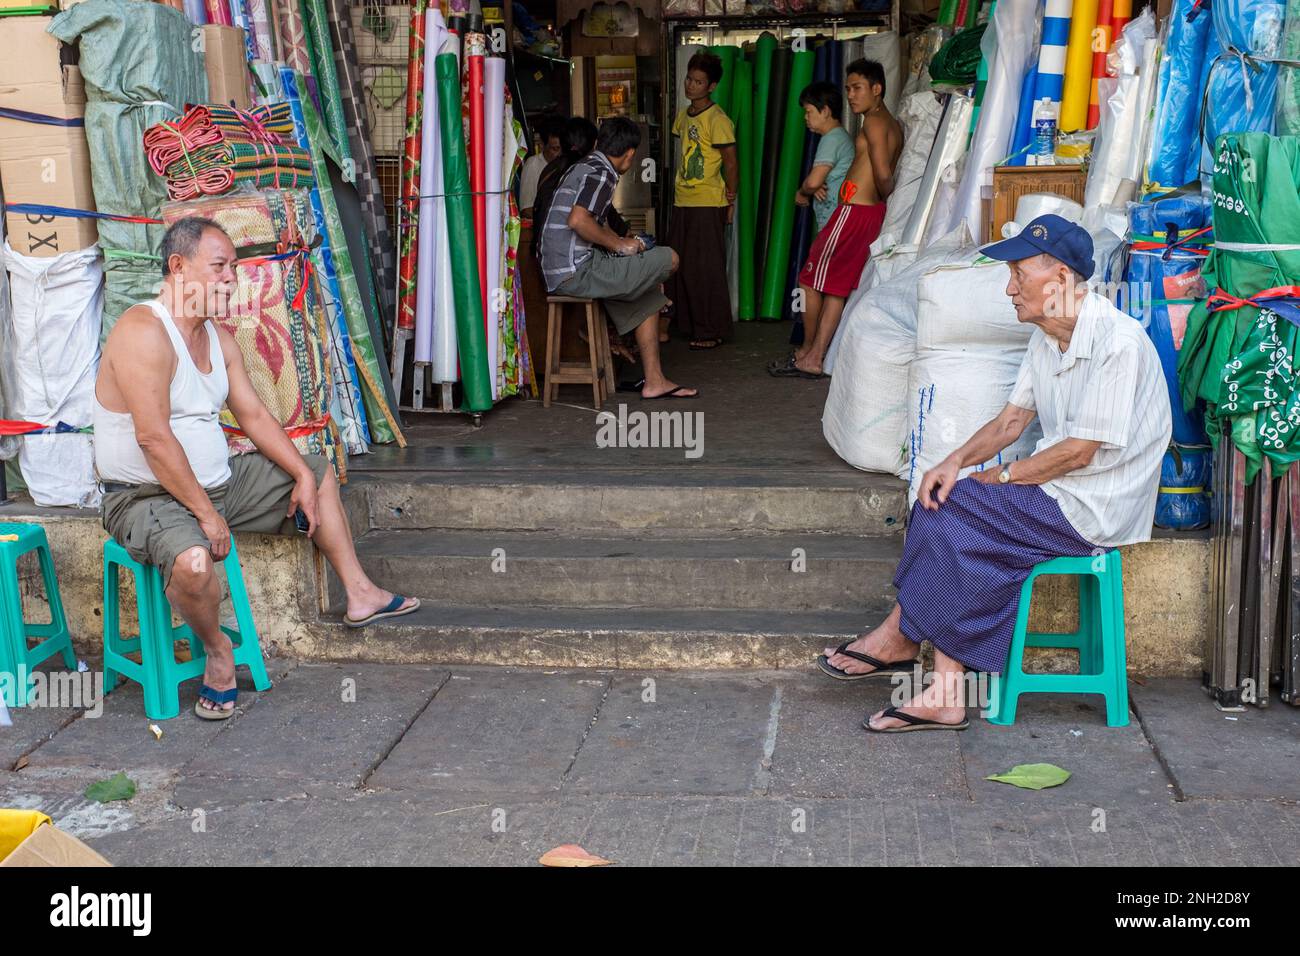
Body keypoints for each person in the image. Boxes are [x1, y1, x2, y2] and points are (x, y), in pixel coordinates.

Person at [815, 215, 1172, 733]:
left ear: (1062, 280)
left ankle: (905, 643)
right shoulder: (1048, 338)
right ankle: (934, 679)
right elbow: (1011, 421)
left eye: (1018, 276)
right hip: (1058, 491)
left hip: (1094, 507)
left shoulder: (1117, 343)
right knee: (939, 496)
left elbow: (1079, 452)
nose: (1009, 290)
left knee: (954, 508)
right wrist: (953, 462)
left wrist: (1001, 478)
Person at [94, 217, 420, 720]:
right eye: (220, 267)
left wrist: (304, 475)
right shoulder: (143, 331)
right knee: (195, 563)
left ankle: (360, 593)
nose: (232, 279)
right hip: (147, 498)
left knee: (318, 469)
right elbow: (154, 439)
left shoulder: (218, 339)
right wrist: (206, 516)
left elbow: (254, 416)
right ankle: (219, 653)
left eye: (235, 268)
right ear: (178, 268)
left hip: (219, 485)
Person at [539, 117, 696, 399]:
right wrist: (622, 245)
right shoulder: (603, 173)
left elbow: (595, 223)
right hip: (575, 271)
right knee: (669, 258)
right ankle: (644, 363)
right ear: (630, 154)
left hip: (563, 269)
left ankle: (654, 381)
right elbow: (579, 220)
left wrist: (623, 246)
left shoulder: (586, 166)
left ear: (599, 143)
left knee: (645, 291)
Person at [770, 59, 901, 379]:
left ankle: (810, 351)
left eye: (857, 88)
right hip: (863, 212)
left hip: (854, 212)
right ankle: (815, 356)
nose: (851, 96)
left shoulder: (873, 122)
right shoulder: (889, 122)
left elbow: (883, 172)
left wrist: (885, 197)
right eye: (848, 89)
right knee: (835, 287)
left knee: (810, 279)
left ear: (877, 88)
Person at [666, 50, 738, 352]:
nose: (690, 85)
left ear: (711, 86)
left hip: (709, 201)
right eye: (689, 79)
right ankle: (686, 324)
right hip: (683, 199)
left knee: (705, 267)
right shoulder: (683, 116)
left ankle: (711, 329)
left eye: (698, 82)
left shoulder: (719, 119)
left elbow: (731, 163)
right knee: (678, 265)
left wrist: (730, 198)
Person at [793, 80, 855, 234]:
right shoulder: (839, 136)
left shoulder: (831, 139)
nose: (805, 118)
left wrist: (802, 192)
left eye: (809, 111)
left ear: (825, 111)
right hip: (839, 218)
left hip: (835, 221)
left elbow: (814, 182)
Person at [519, 116, 564, 216]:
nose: (560, 153)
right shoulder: (532, 166)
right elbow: (526, 210)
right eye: (555, 149)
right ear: (542, 145)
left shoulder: (567, 163)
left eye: (563, 148)